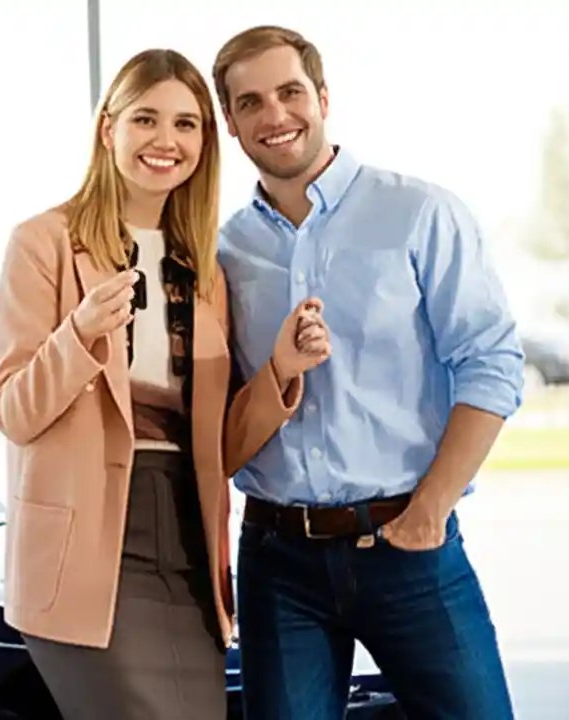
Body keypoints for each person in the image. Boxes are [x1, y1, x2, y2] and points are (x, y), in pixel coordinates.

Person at [0, 48, 332, 720]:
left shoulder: (202, 266)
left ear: (206, 142)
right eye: (146, 119)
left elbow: (218, 449)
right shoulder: (43, 243)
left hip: (186, 545)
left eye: (186, 124)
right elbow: (14, 411)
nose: (166, 142)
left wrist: (279, 373)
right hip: (87, 554)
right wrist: (80, 332)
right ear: (107, 128)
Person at [211, 24, 525, 719]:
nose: (276, 115)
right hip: (277, 561)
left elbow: (492, 362)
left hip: (410, 546)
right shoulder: (224, 252)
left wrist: (432, 508)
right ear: (230, 123)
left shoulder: (418, 214)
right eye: (251, 102)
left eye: (291, 92)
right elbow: (219, 419)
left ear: (323, 97)